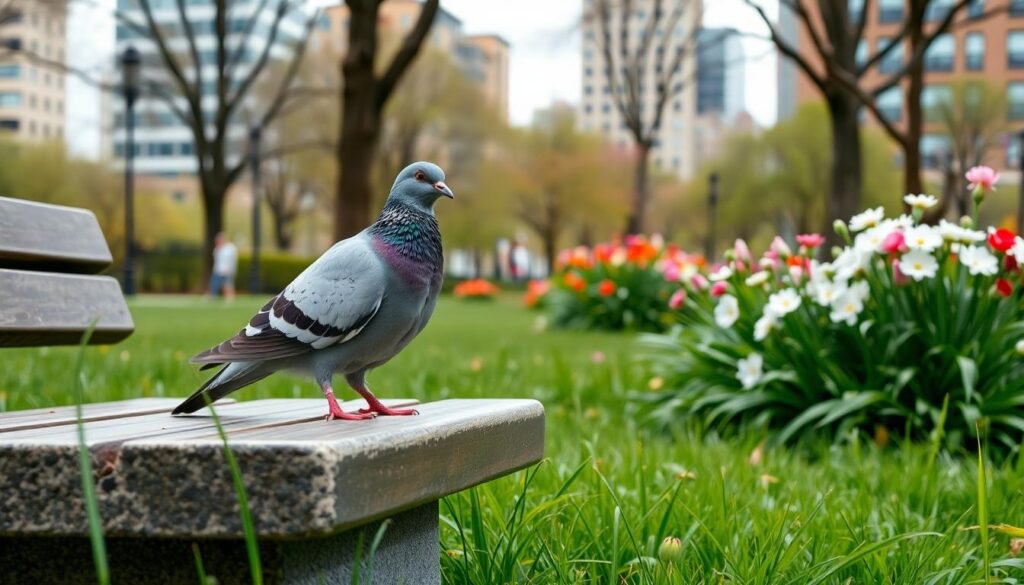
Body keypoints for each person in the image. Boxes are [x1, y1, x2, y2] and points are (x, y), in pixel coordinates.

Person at [209, 232, 237, 300]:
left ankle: (230, 298)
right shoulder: (217, 249)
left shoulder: (230, 248)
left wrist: (230, 269)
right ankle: (212, 297)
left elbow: (232, 260)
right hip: (218, 270)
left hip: (227, 270)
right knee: (214, 284)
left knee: (227, 285)